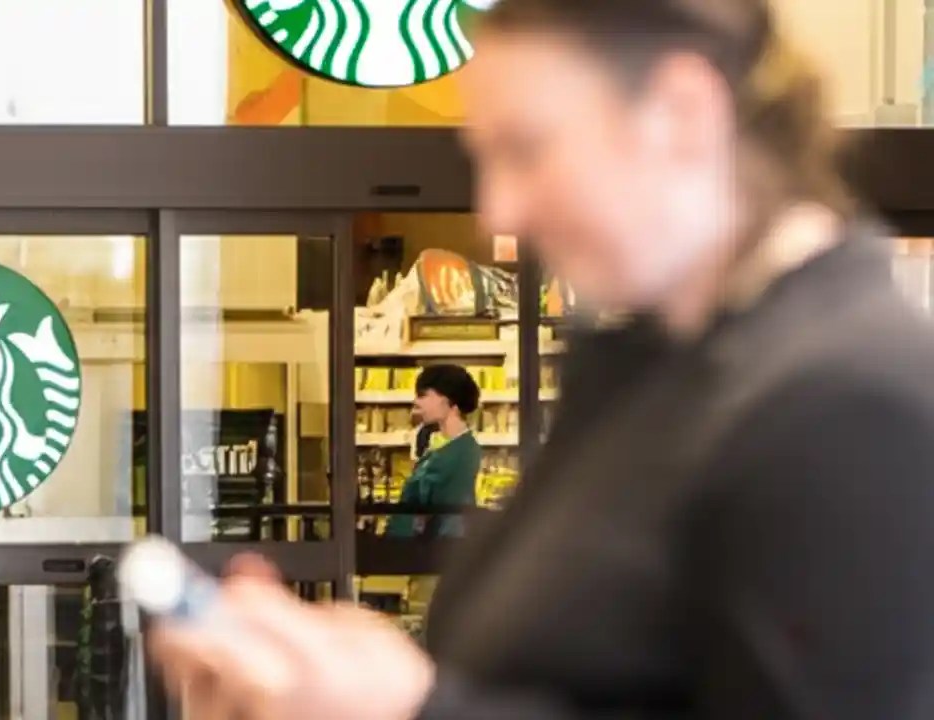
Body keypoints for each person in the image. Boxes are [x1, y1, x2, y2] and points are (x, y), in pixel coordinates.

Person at [147, 0, 934, 717]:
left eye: (525, 149)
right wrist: (354, 672)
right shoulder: (646, 379)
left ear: (683, 113)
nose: (499, 208)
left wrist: (410, 707)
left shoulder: (853, 402)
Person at [385, 364, 483, 538]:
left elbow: (451, 516)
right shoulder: (435, 442)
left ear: (447, 400)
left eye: (423, 395)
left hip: (430, 551)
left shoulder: (463, 451)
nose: (416, 402)